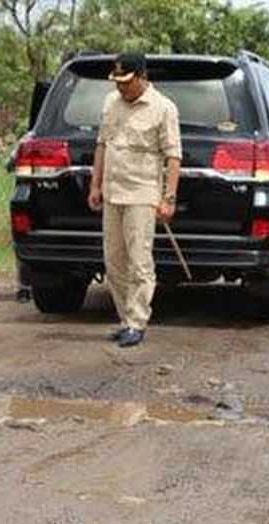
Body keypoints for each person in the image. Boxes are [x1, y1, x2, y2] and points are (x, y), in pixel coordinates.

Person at [88, 53, 181, 348]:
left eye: (126, 82)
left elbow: (173, 156)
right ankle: (125, 318)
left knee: (139, 260)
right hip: (112, 192)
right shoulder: (110, 103)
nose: (121, 88)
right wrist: (95, 185)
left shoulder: (163, 108)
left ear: (141, 76)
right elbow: (102, 145)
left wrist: (168, 198)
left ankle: (136, 321)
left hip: (142, 193)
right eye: (117, 82)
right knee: (113, 259)